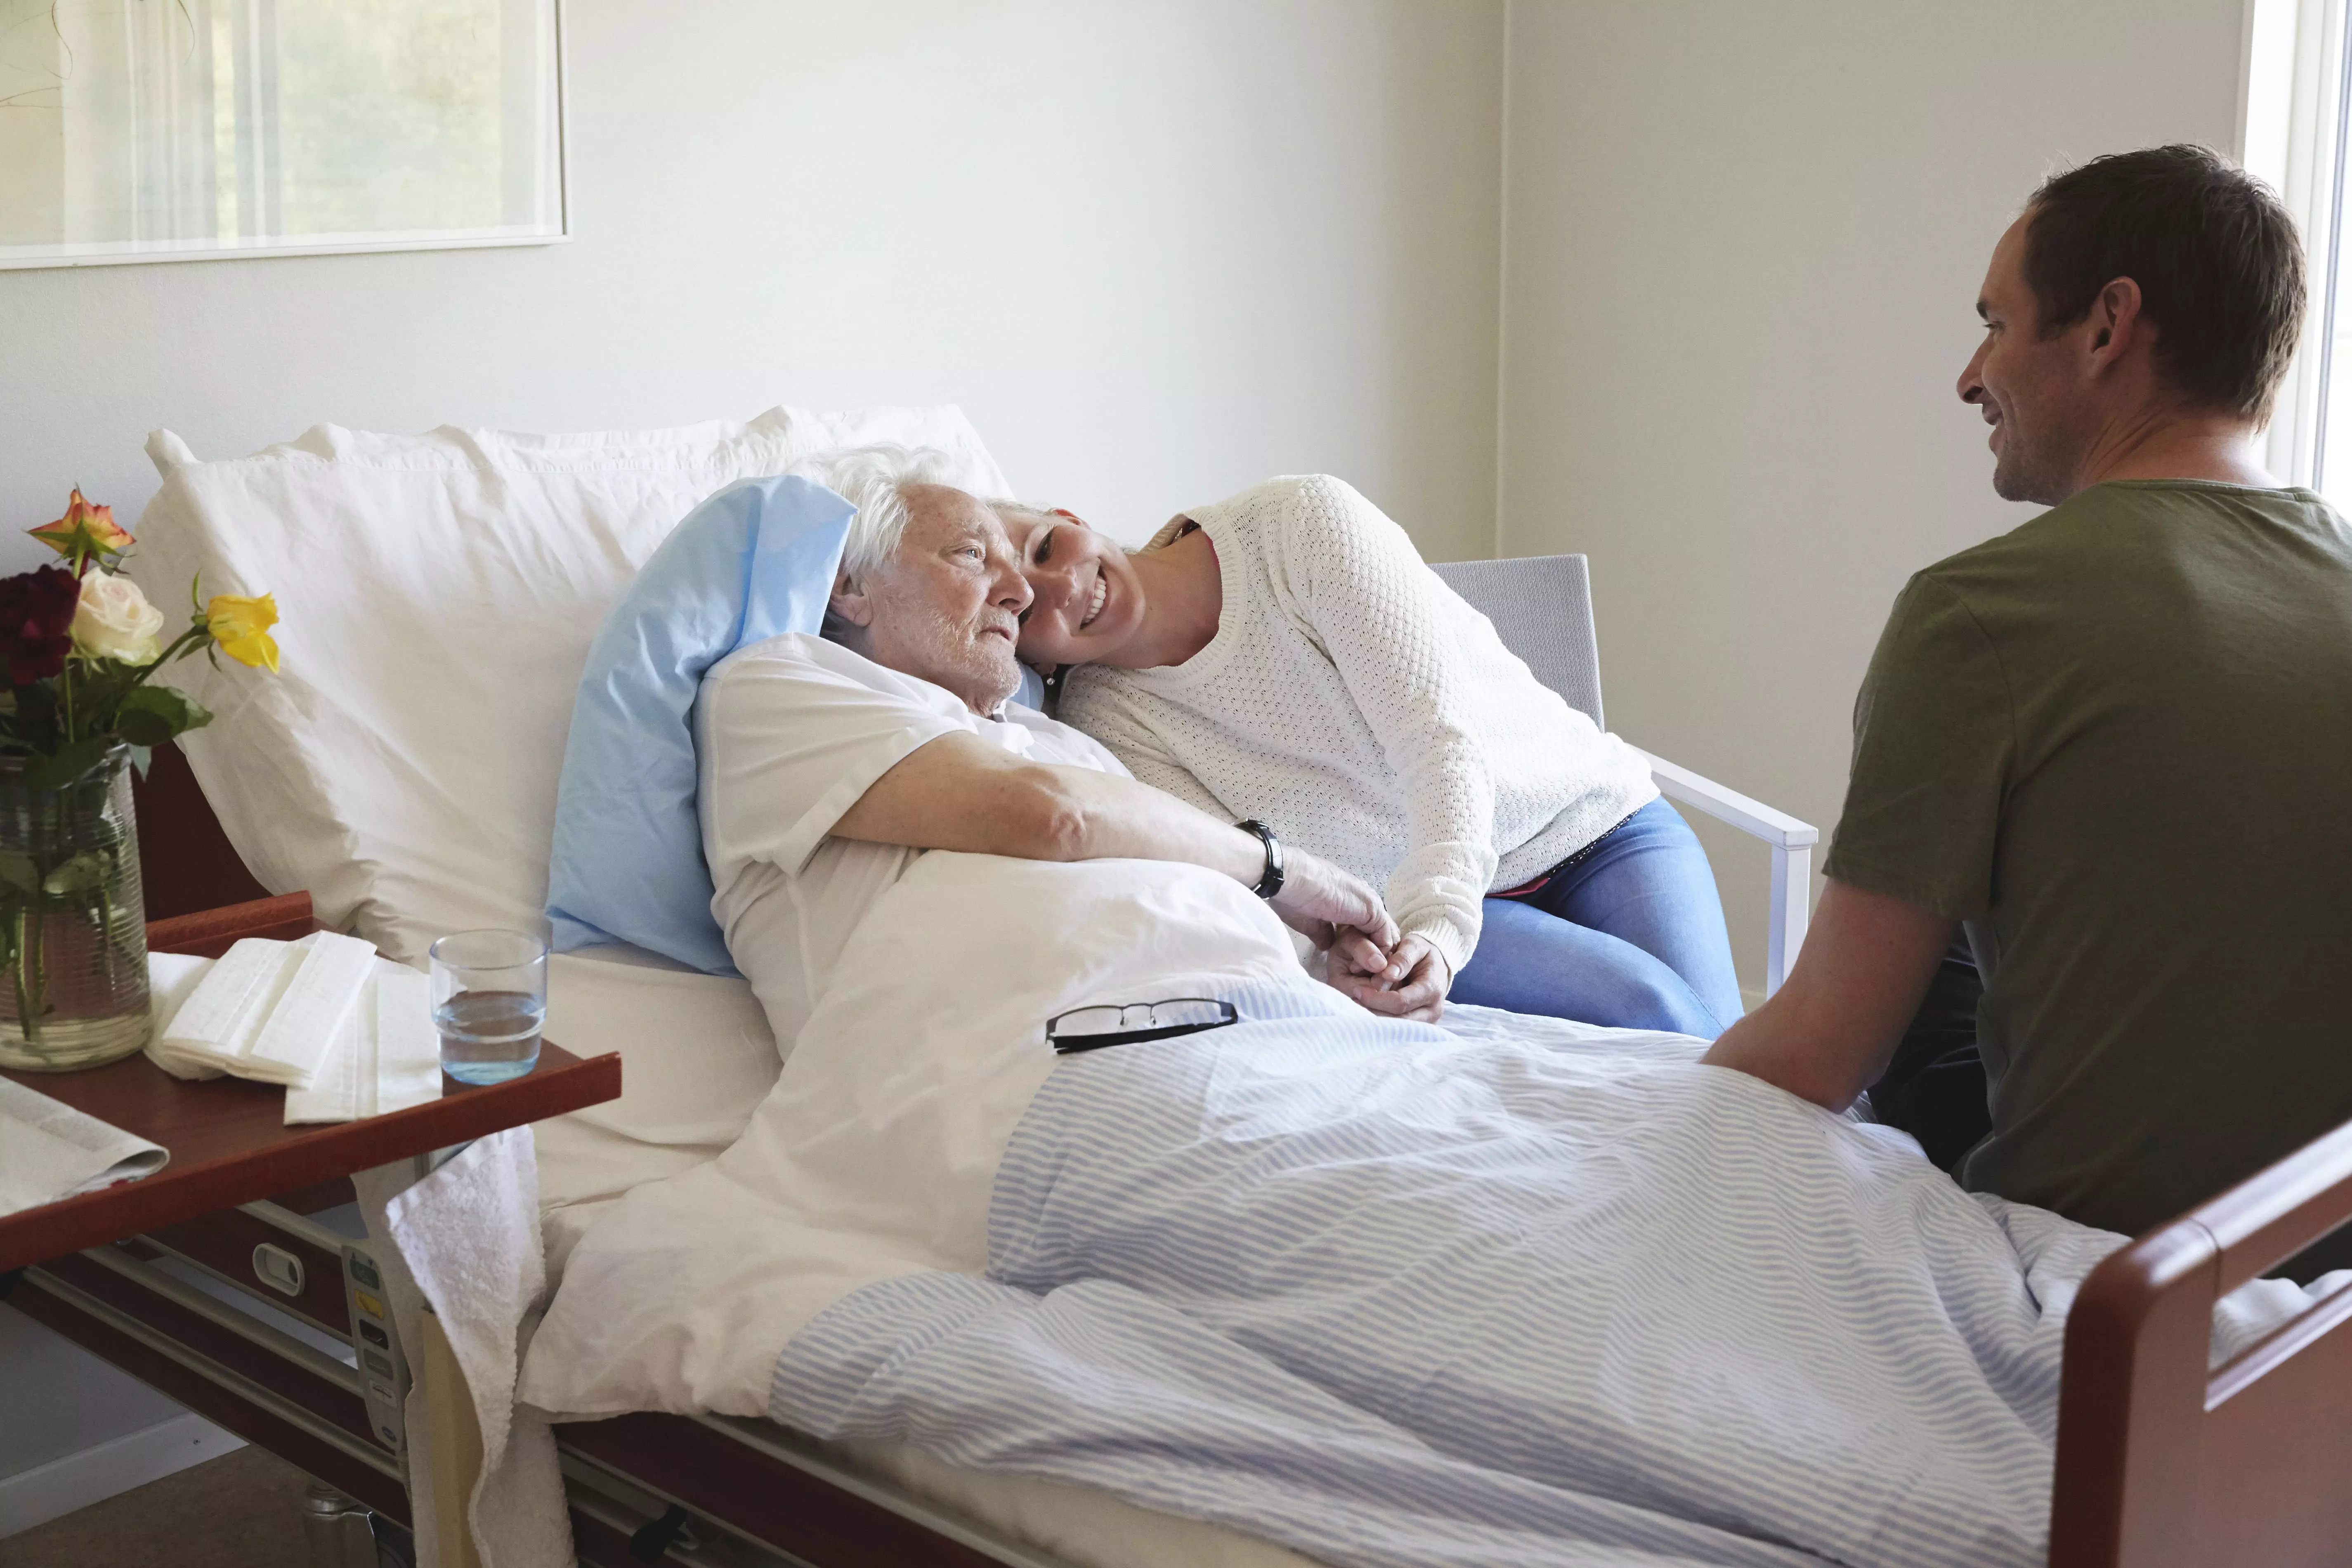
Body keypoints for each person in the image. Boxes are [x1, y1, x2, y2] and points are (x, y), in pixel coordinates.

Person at [1703, 144, 2352, 1275]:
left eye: (1994, 324)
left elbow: (1815, 1056)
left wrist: (1627, 1135)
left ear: (2106, 327)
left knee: (1915, 944)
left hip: (2112, 1280)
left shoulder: (1982, 614)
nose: (1967, 376)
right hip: (2315, 1265)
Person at [993, 478, 1745, 1036]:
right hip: (1420, 903)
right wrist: (1349, 942)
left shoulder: (1301, 524)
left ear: (1069, 519)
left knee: (1761, 1068)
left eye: (1046, 549)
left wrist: (1441, 931)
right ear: (1032, 657)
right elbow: (1258, 872)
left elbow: (1441, 743)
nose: (1065, 586)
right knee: (1659, 1015)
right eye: (1029, 610)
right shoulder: (1108, 724)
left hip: (1599, 825)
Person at [695, 447, 1401, 1040]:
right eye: (972, 555)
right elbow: (1053, 817)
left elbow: (1190, 886)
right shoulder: (782, 685)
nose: (1020, 594)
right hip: (1053, 1065)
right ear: (852, 585)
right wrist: (1285, 870)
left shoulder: (1065, 743)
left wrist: (1342, 972)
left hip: (1277, 1026)